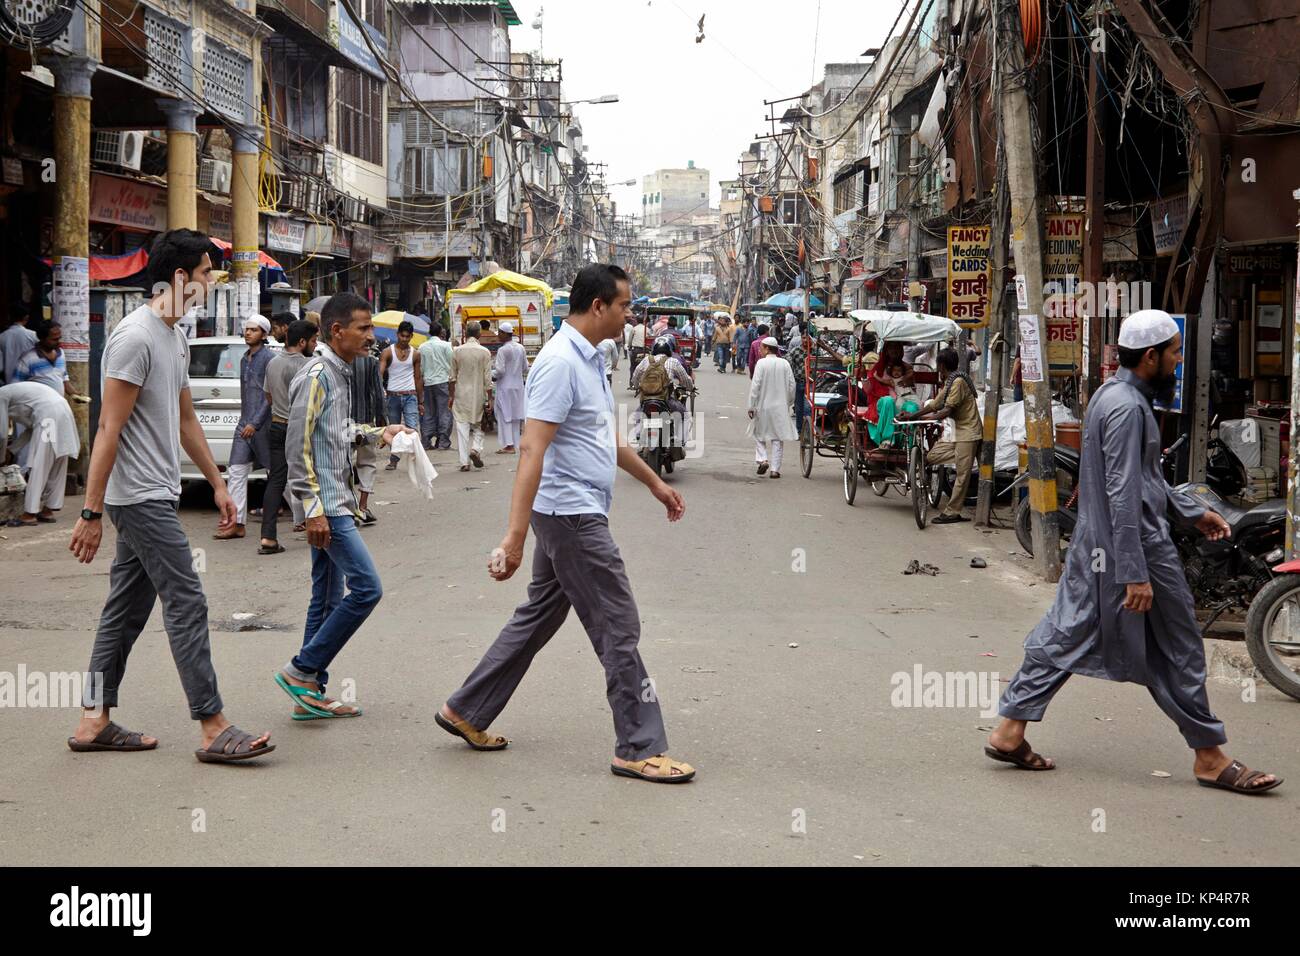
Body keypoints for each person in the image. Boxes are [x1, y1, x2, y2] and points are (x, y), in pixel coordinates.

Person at [987, 310, 1282, 796]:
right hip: (1133, 549)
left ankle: (1009, 729)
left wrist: (1189, 512)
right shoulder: (1127, 409)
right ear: (1151, 357)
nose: (1179, 360)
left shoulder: (1114, 396)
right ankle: (1209, 756)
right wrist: (1135, 573)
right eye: (1174, 353)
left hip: (1095, 549)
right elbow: (1125, 494)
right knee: (1180, 648)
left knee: (1065, 634)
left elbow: (1143, 480)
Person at [437, 264, 695, 783]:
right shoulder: (559, 362)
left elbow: (605, 438)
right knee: (618, 625)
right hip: (572, 518)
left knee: (538, 617)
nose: (629, 315)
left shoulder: (589, 359)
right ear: (598, 306)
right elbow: (532, 446)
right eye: (624, 305)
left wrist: (653, 482)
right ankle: (638, 745)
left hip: (570, 513)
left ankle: (466, 707)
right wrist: (513, 536)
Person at [67, 228, 274, 763]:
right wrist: (90, 511)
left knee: (125, 609)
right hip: (135, 496)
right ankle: (212, 725)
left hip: (156, 490)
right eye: (206, 274)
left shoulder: (176, 336)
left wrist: (220, 482)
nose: (209, 283)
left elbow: (185, 421)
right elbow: (108, 429)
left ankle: (93, 719)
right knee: (187, 599)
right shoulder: (134, 338)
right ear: (180, 277)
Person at [280, 293, 412, 721]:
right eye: (364, 329)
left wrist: (379, 433)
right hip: (327, 502)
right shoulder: (317, 374)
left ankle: (310, 692)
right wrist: (312, 508)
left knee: (326, 596)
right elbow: (297, 445)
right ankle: (301, 670)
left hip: (337, 496)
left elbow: (335, 432)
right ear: (337, 331)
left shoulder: (340, 372)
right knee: (368, 589)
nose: (372, 337)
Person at [898, 347, 980, 523]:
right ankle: (925, 477)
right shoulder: (952, 381)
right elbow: (935, 404)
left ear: (941, 366)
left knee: (962, 474)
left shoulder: (958, 383)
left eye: (938, 366)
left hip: (969, 433)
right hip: (958, 433)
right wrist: (913, 416)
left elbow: (946, 410)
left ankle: (953, 512)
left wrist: (925, 419)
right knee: (932, 456)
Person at [258, 317, 317, 554]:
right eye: (313, 340)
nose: (315, 344)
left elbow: (268, 396)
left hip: (276, 426)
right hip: (299, 428)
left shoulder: (272, 363)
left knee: (276, 481)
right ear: (302, 342)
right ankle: (318, 525)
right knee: (314, 476)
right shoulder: (305, 366)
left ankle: (267, 538)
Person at [215, 314, 274, 540]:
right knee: (237, 471)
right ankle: (237, 523)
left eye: (254, 330)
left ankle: (306, 517)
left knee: (279, 475)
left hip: (263, 426)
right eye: (247, 329)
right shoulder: (243, 359)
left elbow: (271, 397)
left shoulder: (270, 359)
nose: (248, 333)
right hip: (244, 425)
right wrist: (246, 422)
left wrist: (255, 423)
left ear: (264, 334)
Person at [0, 381, 79, 524]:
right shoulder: (11, 393)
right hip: (62, 409)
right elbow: (30, 428)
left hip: (48, 415)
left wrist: (1, 457)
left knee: (39, 464)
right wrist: (11, 450)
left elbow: (2, 434)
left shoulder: (1, 395)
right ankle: (48, 510)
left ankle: (30, 513)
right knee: (58, 461)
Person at [748, 336, 797, 478]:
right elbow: (791, 385)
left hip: (763, 406)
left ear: (768, 348)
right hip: (780, 406)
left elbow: (755, 386)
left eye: (761, 347)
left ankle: (763, 459)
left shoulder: (761, 364)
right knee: (777, 438)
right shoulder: (785, 364)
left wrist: (751, 406)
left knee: (758, 434)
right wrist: (788, 402)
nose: (759, 350)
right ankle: (775, 470)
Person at [379, 320, 423, 470]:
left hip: (410, 395)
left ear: (411, 336)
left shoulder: (416, 354)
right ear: (397, 335)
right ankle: (394, 459)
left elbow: (418, 378)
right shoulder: (387, 352)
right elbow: (380, 373)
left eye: (407, 336)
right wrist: (380, 393)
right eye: (402, 336)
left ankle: (417, 458)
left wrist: (420, 401)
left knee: (412, 428)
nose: (404, 339)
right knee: (395, 431)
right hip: (393, 396)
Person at [449, 323, 493, 472]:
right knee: (479, 426)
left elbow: (452, 377)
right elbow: (488, 380)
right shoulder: (485, 352)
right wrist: (490, 399)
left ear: (466, 334)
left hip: (461, 394)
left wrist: (451, 396)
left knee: (462, 427)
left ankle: (464, 462)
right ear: (479, 334)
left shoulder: (457, 351)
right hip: (478, 394)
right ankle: (475, 449)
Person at [351, 348, 386, 525]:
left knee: (343, 466)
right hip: (366, 421)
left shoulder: (338, 360)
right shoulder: (371, 361)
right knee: (367, 463)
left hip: (343, 422)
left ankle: (348, 508)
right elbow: (378, 392)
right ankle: (362, 506)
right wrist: (382, 421)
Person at [864, 341, 916, 447]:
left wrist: (907, 377)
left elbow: (910, 385)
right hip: (882, 401)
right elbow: (870, 387)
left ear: (901, 350)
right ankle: (887, 440)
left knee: (911, 407)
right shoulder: (879, 367)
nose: (894, 350)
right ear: (886, 350)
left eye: (897, 347)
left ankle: (908, 443)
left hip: (902, 398)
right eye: (891, 348)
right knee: (888, 400)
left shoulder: (906, 367)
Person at [14, 320, 73, 396]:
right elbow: (15, 386)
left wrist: (74, 394)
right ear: (42, 338)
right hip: (38, 406)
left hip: (57, 405)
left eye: (59, 338)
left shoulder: (61, 354)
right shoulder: (28, 359)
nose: (59, 342)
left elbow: (64, 378)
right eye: (54, 339)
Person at [418, 323, 454, 450]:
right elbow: (452, 364)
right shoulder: (446, 345)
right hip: (443, 382)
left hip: (428, 383)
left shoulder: (422, 347)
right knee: (444, 411)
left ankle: (426, 441)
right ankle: (443, 441)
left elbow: (421, 369)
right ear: (440, 333)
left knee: (428, 412)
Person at [494, 321, 527, 453]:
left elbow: (500, 371)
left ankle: (509, 445)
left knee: (505, 415)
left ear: (504, 333)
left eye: (499, 333)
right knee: (515, 415)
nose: (498, 336)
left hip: (505, 387)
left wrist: (491, 374)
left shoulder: (503, 350)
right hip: (518, 386)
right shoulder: (521, 348)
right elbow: (525, 367)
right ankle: (515, 443)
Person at [0, 302, 36, 384]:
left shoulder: (2, 337)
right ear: (26, 317)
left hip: (9, 384)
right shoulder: (33, 336)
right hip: (30, 382)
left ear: (9, 316)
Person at [786, 319, 808, 435]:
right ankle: (799, 431)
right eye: (803, 338)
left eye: (807, 338)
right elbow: (788, 358)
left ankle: (808, 431)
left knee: (808, 408)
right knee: (799, 408)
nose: (805, 340)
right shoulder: (796, 350)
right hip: (798, 382)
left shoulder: (815, 352)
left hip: (812, 384)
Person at [628, 316, 648, 387]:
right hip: (645, 351)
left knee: (633, 366)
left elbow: (630, 340)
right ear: (643, 321)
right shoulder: (647, 329)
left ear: (636, 321)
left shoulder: (634, 329)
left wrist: (629, 347)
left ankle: (632, 382)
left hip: (635, 350)